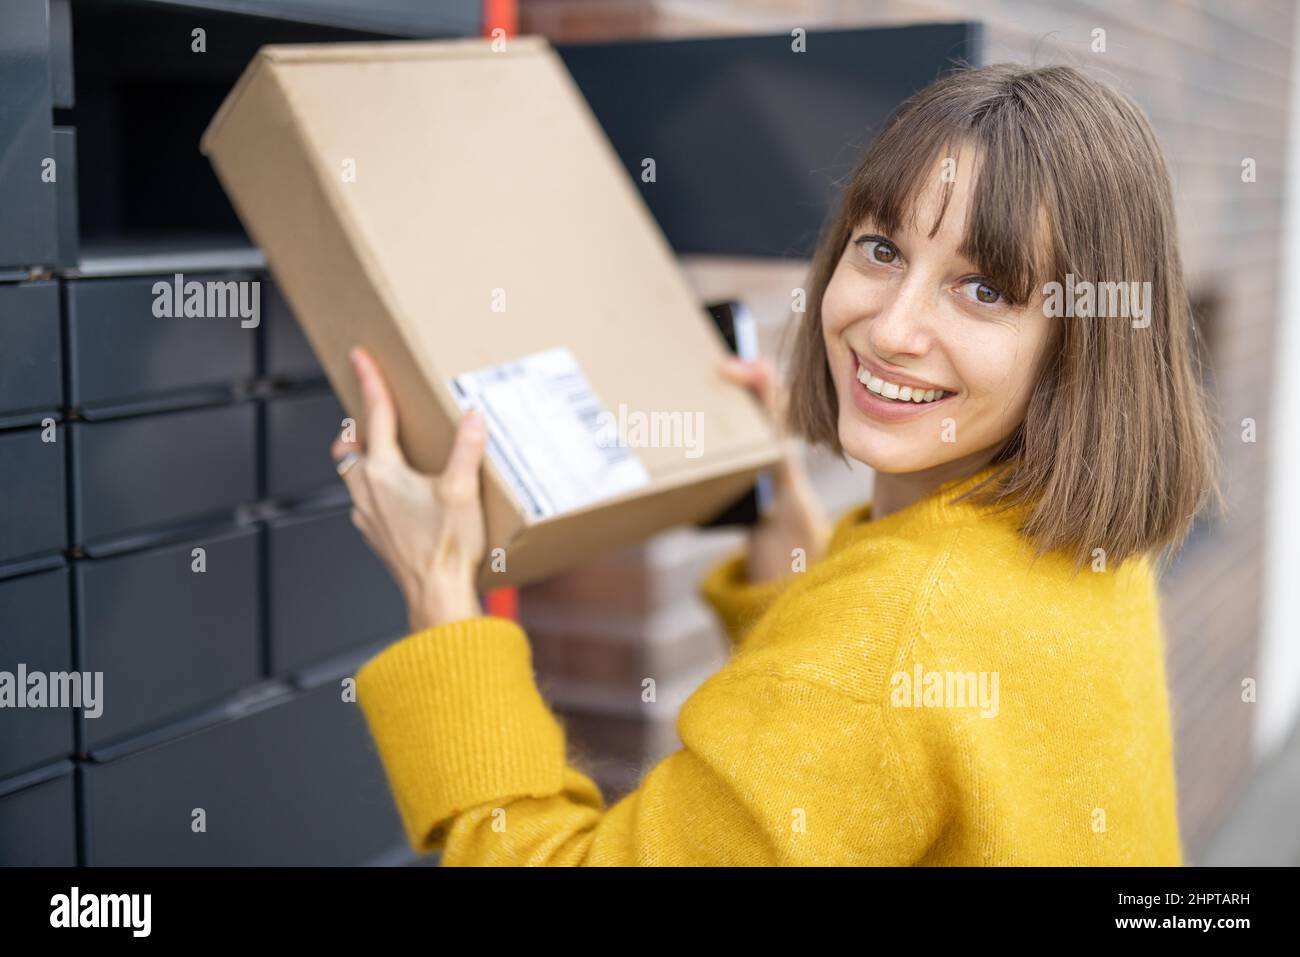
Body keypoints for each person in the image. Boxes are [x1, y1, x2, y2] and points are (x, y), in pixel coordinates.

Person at [330, 62, 1220, 865]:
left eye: (982, 289)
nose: (892, 327)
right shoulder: (1091, 550)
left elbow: (865, 697)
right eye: (883, 250)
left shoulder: (890, 639)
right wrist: (785, 537)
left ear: (1082, 343)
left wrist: (440, 594)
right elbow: (879, 765)